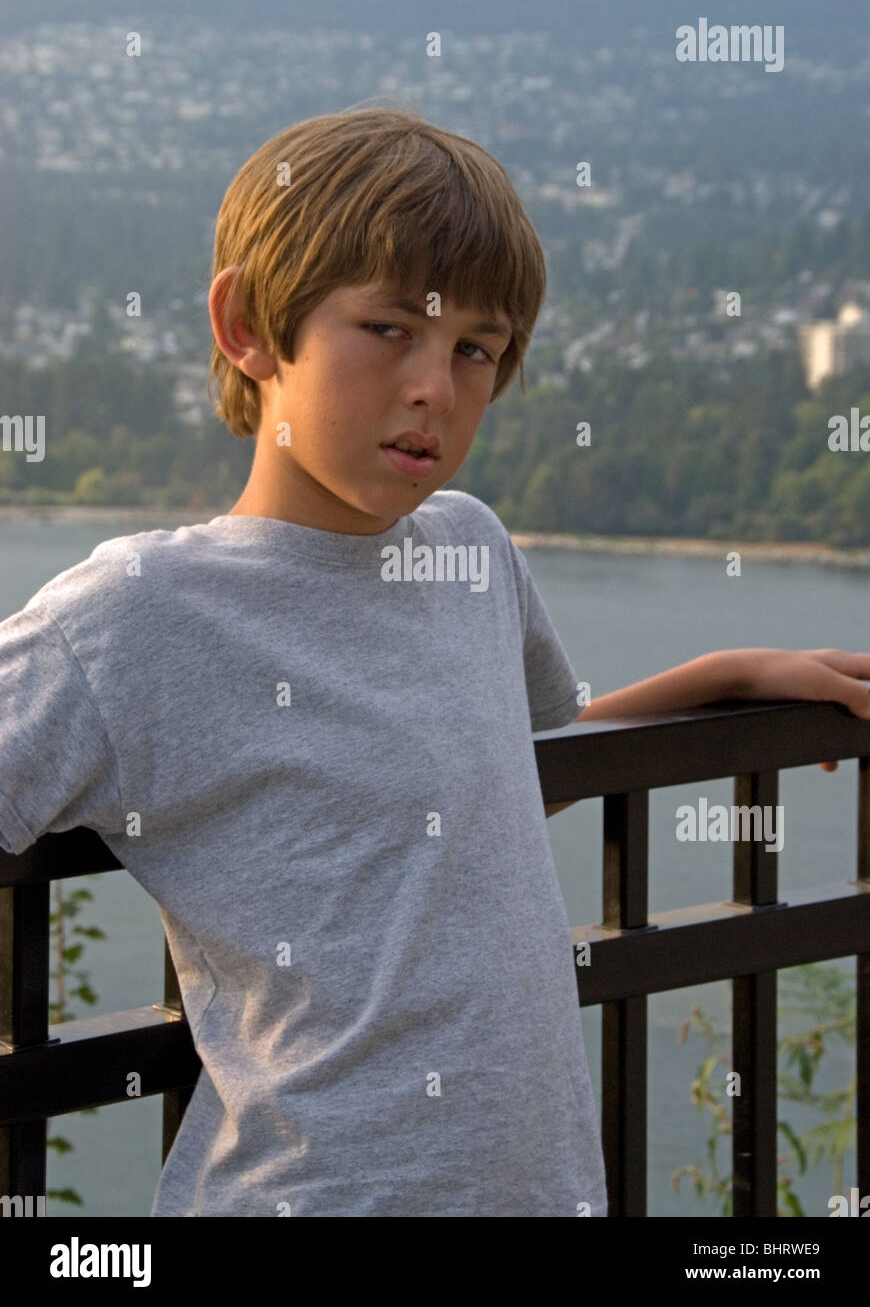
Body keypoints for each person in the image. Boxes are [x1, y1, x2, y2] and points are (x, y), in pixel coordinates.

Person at [1, 106, 868, 1217]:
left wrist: (725, 674)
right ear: (249, 327)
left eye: (476, 348)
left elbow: (508, 771)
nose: (436, 389)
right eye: (389, 330)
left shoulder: (473, 548)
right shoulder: (138, 614)